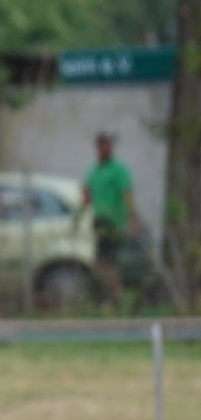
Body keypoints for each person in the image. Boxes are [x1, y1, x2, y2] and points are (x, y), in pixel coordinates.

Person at [83, 131, 139, 306]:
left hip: (113, 221)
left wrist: (131, 218)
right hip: (99, 220)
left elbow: (127, 194)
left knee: (106, 260)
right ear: (98, 147)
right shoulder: (94, 170)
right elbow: (87, 194)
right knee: (102, 261)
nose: (107, 148)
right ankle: (114, 296)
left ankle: (117, 297)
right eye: (104, 144)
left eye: (109, 144)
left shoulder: (118, 169)